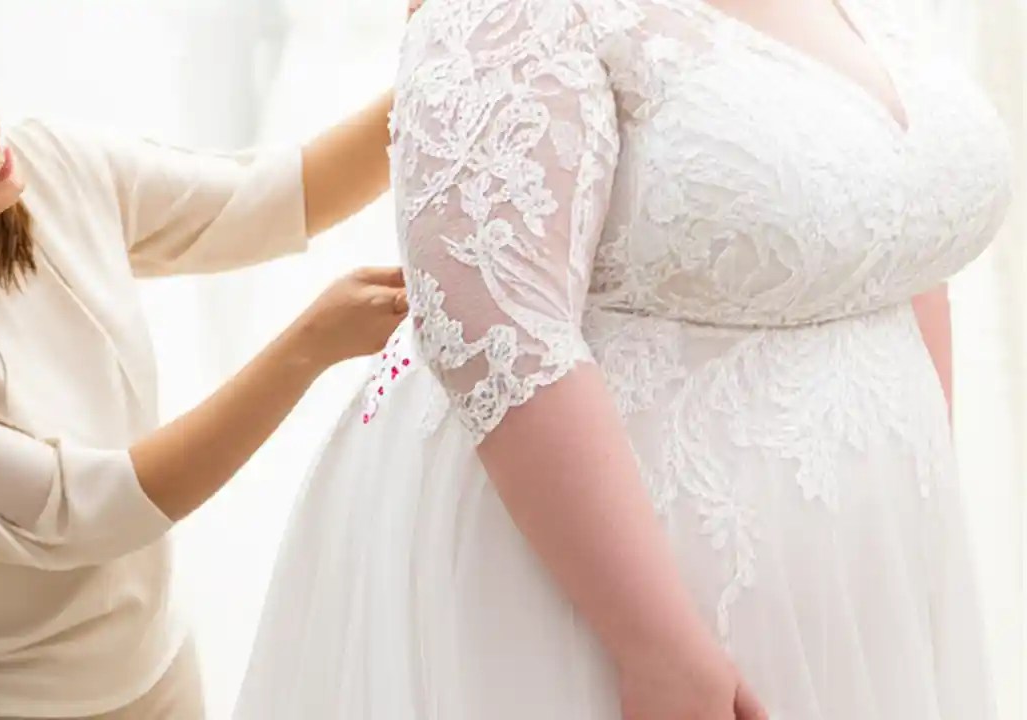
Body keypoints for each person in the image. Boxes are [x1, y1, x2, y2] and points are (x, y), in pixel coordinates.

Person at [236, 0, 1014, 718]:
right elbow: (491, 315)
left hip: (870, 573)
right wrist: (656, 644)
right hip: (605, 608)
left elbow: (901, 237)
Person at [0, 16, 406, 720]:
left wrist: (443, 69)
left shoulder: (52, 168)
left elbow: (266, 199)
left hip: (153, 673)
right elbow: (99, 506)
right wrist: (307, 346)